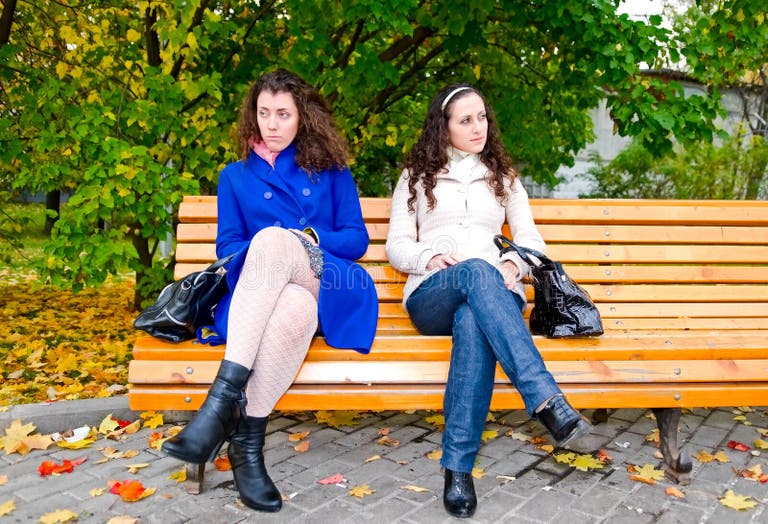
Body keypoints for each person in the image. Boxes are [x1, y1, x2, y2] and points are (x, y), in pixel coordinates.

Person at [162, 69, 377, 512]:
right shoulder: (235, 177)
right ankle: (247, 446)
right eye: (264, 113)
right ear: (253, 116)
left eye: (283, 114)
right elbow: (228, 248)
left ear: (302, 118)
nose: (272, 124)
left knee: (280, 239)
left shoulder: (331, 169)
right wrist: (269, 257)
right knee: (291, 299)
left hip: (330, 281)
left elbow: (356, 240)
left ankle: (218, 406)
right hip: (261, 296)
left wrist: (306, 239)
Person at [385, 83, 591, 518]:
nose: (477, 126)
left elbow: (531, 239)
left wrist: (516, 264)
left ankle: (457, 471)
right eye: (465, 120)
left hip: (495, 296)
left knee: (472, 321)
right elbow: (397, 246)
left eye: (482, 117)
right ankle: (545, 400)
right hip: (433, 291)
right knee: (476, 272)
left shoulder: (504, 176)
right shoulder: (415, 177)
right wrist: (430, 256)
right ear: (443, 128)